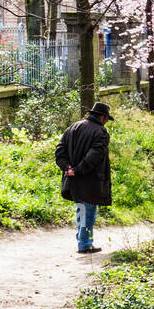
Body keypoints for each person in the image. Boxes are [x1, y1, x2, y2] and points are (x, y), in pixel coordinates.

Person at [55, 101, 113, 254]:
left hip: (73, 180)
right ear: (102, 117)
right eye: (106, 118)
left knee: (81, 210)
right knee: (88, 212)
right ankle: (85, 244)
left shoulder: (73, 127)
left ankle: (82, 241)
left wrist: (67, 167)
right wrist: (78, 170)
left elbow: (60, 150)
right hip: (90, 180)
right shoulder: (100, 132)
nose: (106, 121)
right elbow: (94, 156)